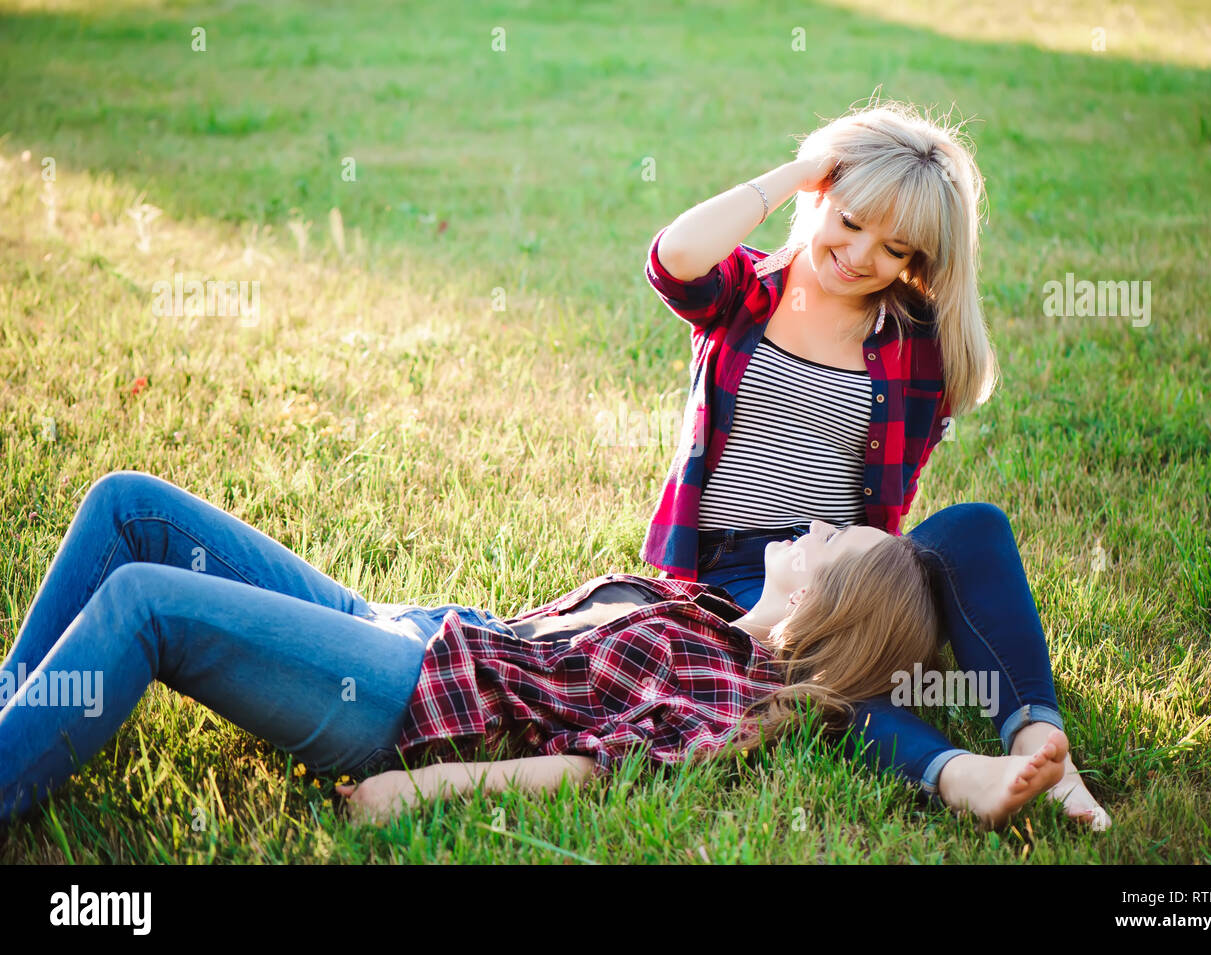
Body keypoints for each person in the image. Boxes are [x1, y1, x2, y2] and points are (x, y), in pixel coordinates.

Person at [2, 470, 1072, 831]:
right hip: (399, 625)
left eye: (837, 540)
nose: (817, 526)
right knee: (131, 509)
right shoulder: (700, 611)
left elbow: (596, 765)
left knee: (147, 597)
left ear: (831, 606)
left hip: (393, 693)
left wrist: (429, 792)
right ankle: (15, 709)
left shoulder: (730, 685)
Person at [640, 97, 1109, 829]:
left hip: (848, 558)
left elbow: (900, 478)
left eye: (894, 249)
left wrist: (872, 580)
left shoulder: (915, 343)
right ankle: (960, 775)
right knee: (819, 674)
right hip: (734, 570)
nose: (860, 256)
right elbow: (673, 258)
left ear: (916, 262)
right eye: (852, 220)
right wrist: (798, 171)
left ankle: (1041, 738)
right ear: (822, 195)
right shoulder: (744, 291)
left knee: (974, 526)